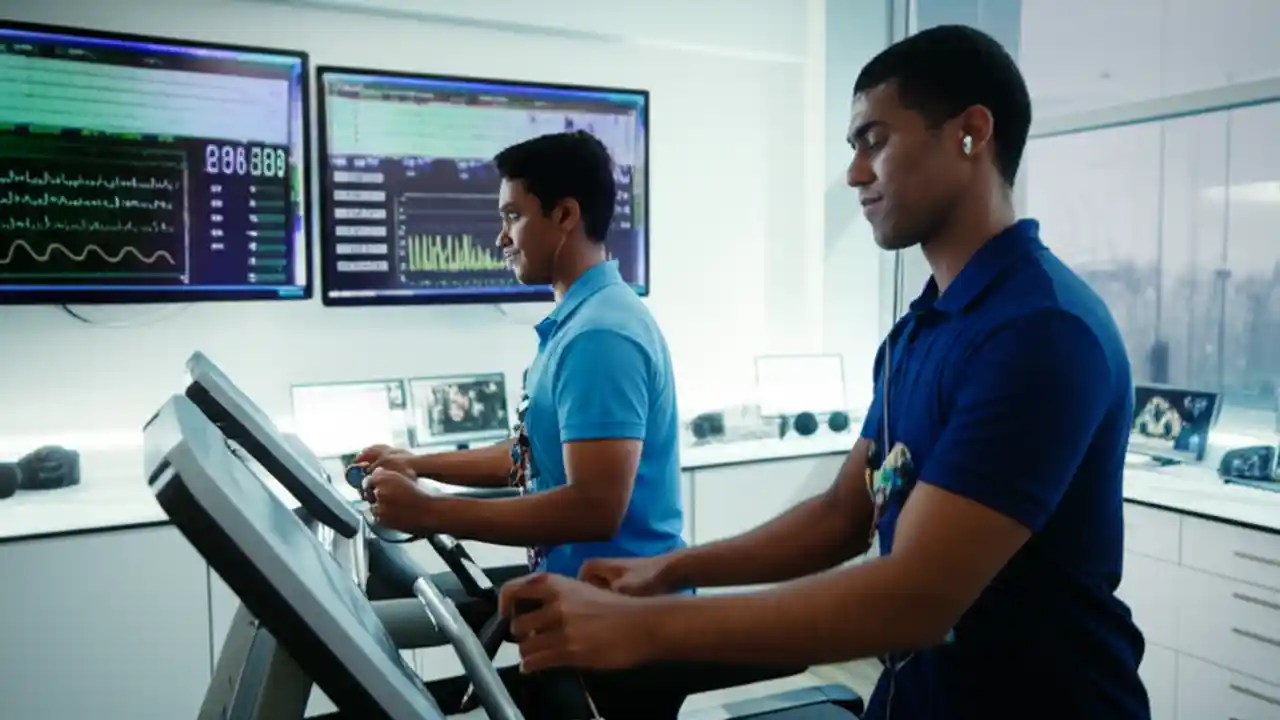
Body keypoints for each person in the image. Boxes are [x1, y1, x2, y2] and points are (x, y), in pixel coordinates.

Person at [497, 25, 1151, 720]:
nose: (854, 173)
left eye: (875, 141)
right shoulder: (926, 329)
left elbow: (915, 599)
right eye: (853, 149)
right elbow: (843, 516)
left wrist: (640, 628)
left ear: (971, 133)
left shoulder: (1041, 332)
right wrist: (674, 570)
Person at [356, 130, 685, 582]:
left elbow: (594, 508)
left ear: (566, 214)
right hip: (583, 601)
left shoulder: (601, 335)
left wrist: (432, 511)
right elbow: (533, 455)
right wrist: (417, 463)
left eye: (513, 216)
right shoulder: (579, 322)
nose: (501, 238)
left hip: (624, 620)